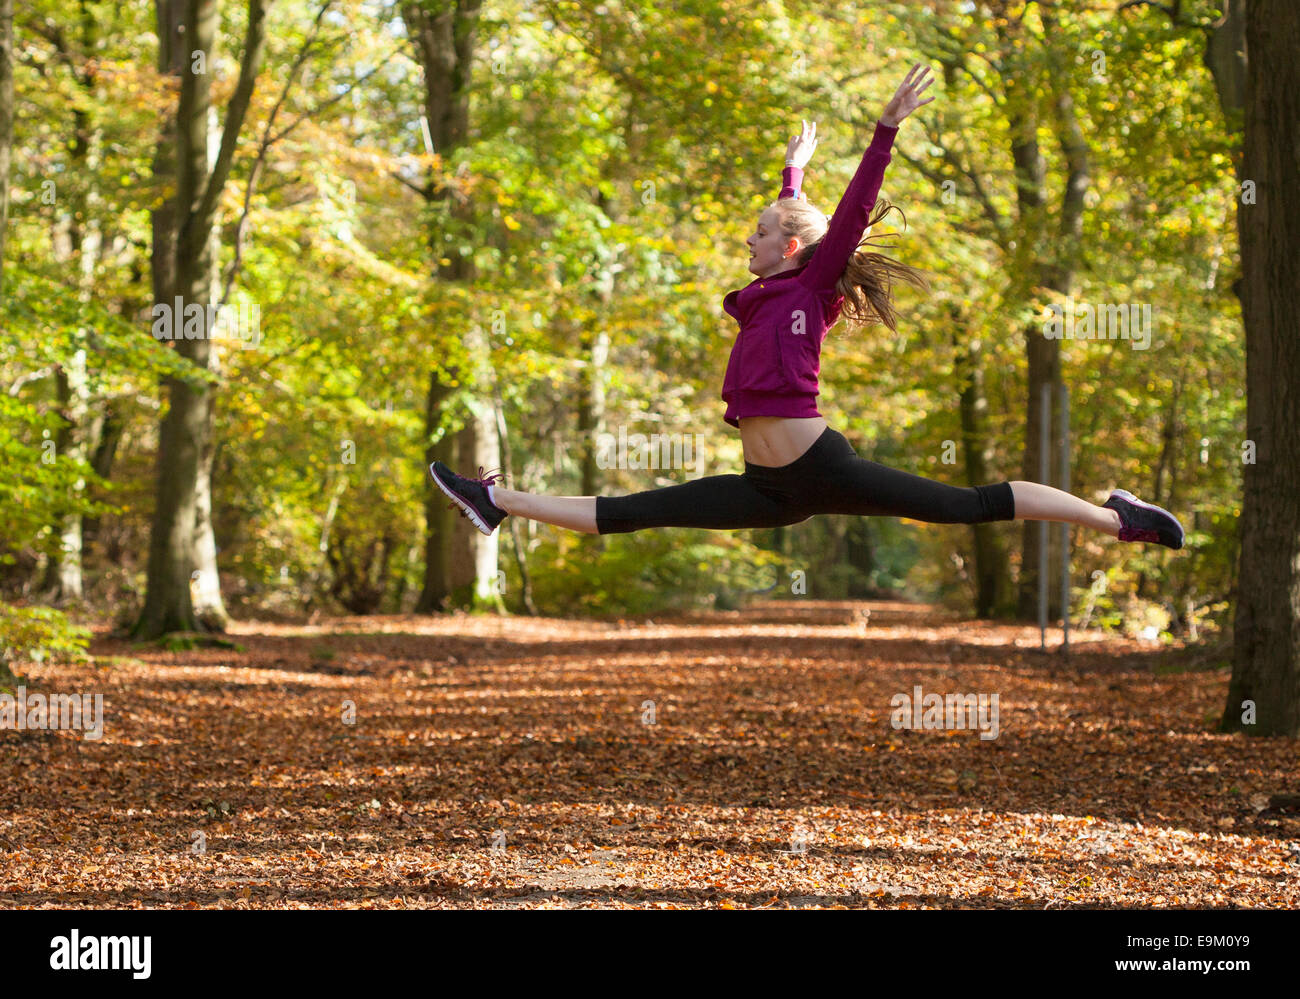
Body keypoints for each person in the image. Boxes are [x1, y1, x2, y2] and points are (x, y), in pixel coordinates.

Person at [430, 64, 1184, 551]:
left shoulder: (811, 285)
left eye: (759, 231)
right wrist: (792, 173)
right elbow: (795, 220)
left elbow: (844, 220)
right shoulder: (769, 290)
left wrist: (883, 133)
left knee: (967, 504)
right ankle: (495, 502)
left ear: (789, 249)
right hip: (769, 489)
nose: (747, 238)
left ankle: (1116, 515)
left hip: (823, 463)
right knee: (632, 512)